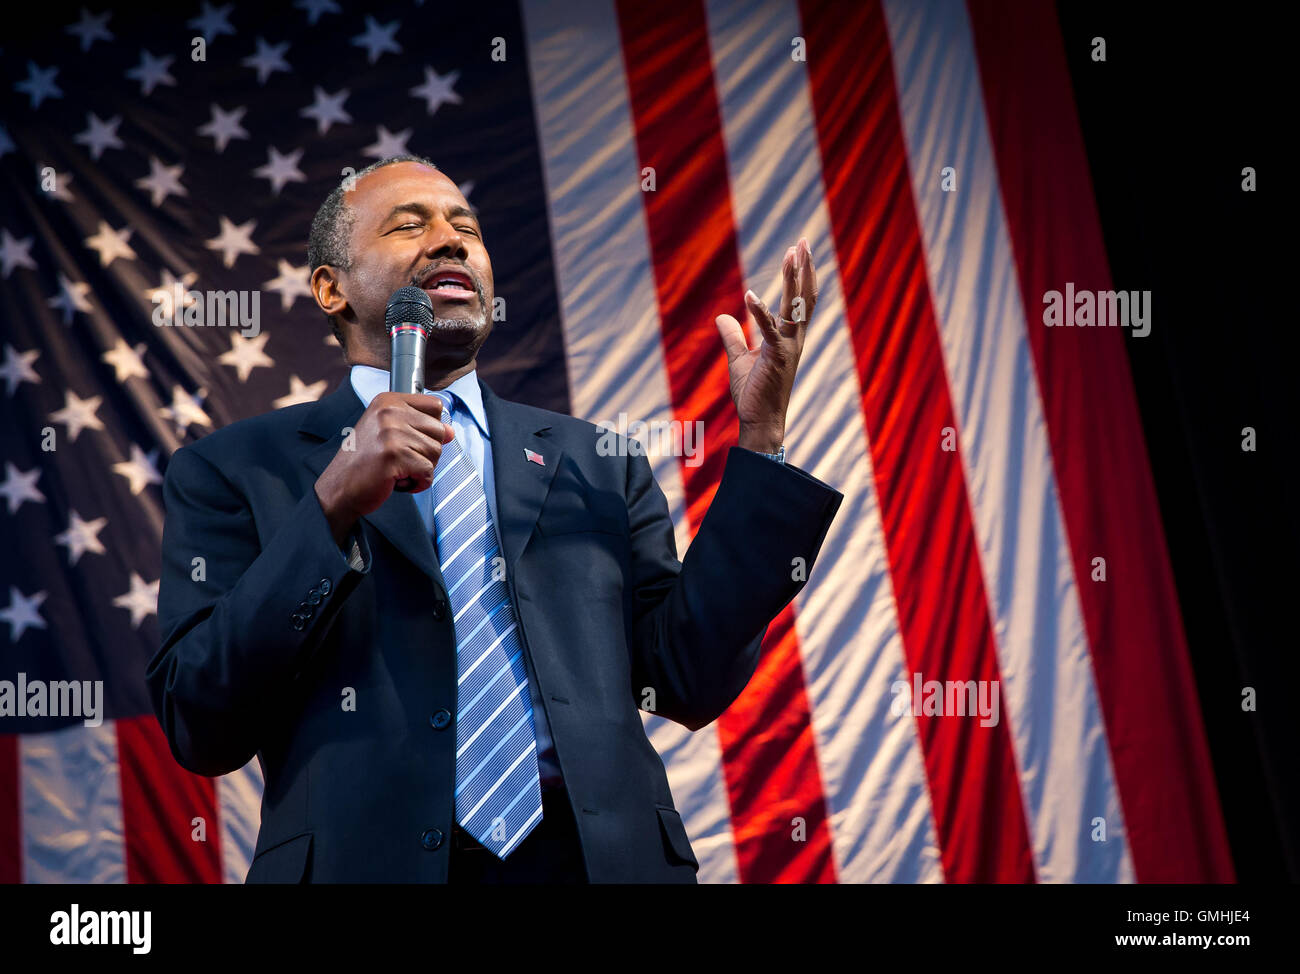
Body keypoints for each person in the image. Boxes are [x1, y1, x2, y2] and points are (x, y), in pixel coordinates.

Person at [148, 156, 843, 883]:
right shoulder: (233, 470)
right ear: (332, 288)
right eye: (410, 225)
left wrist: (762, 442)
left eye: (466, 230)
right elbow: (200, 719)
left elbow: (688, 677)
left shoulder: (596, 459)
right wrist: (330, 508)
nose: (451, 242)